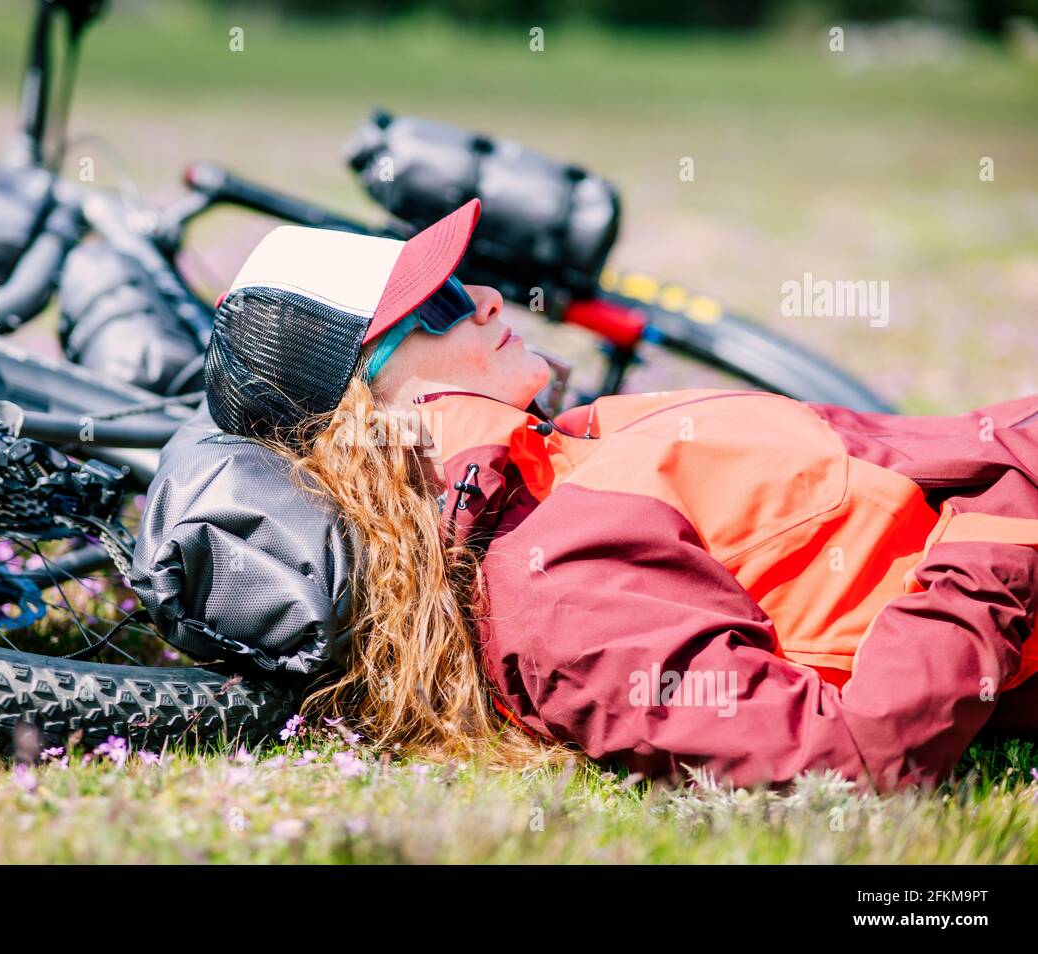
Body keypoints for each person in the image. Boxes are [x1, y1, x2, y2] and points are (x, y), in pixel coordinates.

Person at [134, 198, 1038, 791]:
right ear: (377, 409)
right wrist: (999, 544)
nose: (488, 297)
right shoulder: (555, 577)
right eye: (439, 305)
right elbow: (843, 761)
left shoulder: (565, 451)